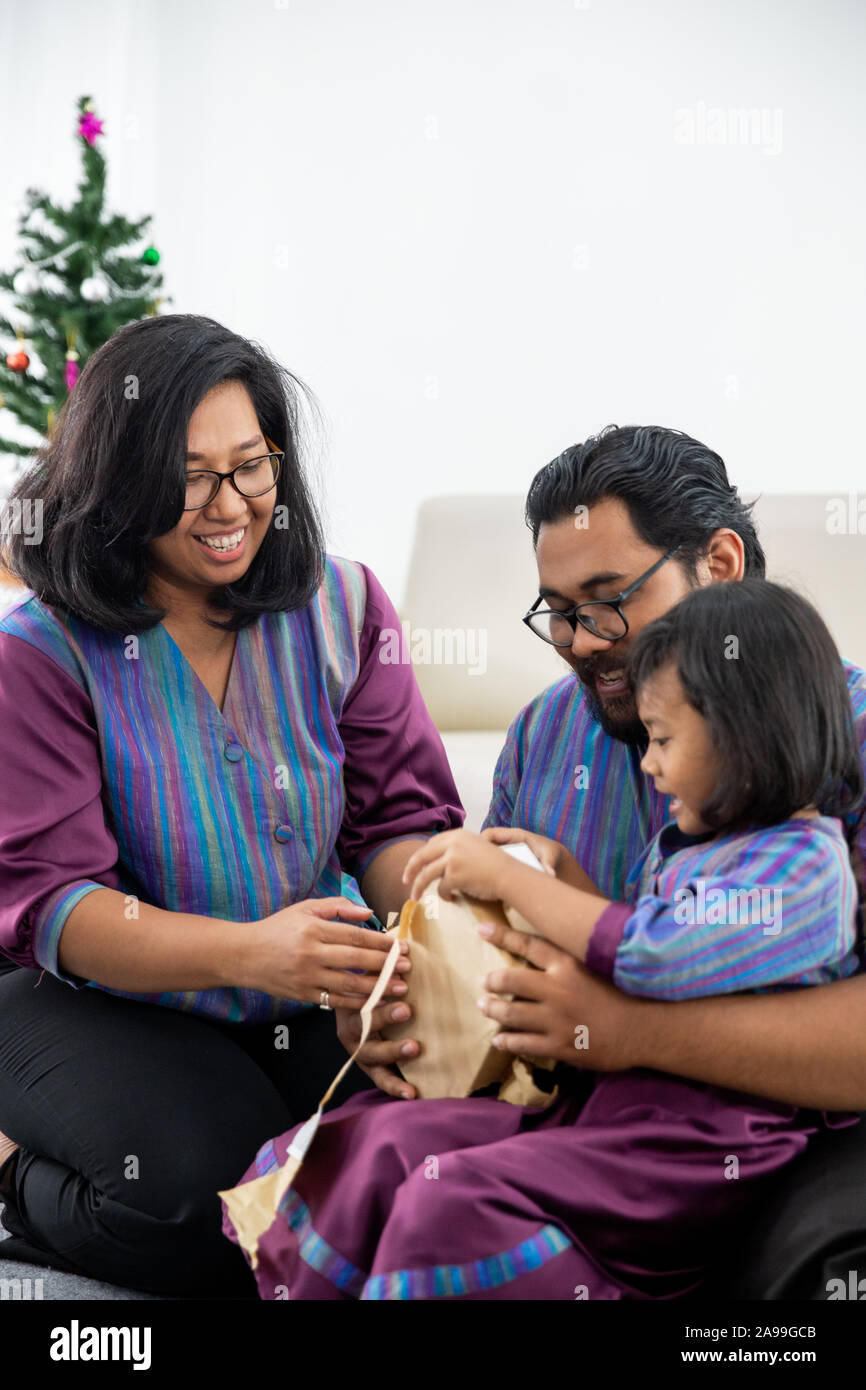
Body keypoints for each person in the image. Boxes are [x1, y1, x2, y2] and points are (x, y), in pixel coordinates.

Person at [333, 425, 866, 1298]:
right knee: (339, 1163)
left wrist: (621, 1031)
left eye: (608, 599)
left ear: (720, 565)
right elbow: (493, 952)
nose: (580, 640)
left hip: (752, 1143)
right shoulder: (547, 734)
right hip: (576, 1115)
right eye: (559, 612)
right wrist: (401, 1012)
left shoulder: (844, 743)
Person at [221, 578, 863, 1299]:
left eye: (664, 740)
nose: (650, 765)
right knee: (371, 1148)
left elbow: (652, 952)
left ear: (746, 732)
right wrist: (550, 887)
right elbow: (652, 953)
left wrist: (524, 883)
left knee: (456, 1200)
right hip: (615, 1108)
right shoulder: (686, 843)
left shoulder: (807, 868)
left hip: (695, 1149)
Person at [0, 313, 463, 1297]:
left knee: (376, 1184)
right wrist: (249, 950)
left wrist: (426, 919)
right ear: (116, 477)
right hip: (85, 996)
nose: (229, 504)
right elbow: (58, 907)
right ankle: (6, 1172)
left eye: (250, 467)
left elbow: (393, 824)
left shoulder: (344, 607)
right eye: (190, 474)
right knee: (194, 1209)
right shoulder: (40, 653)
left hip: (293, 991)